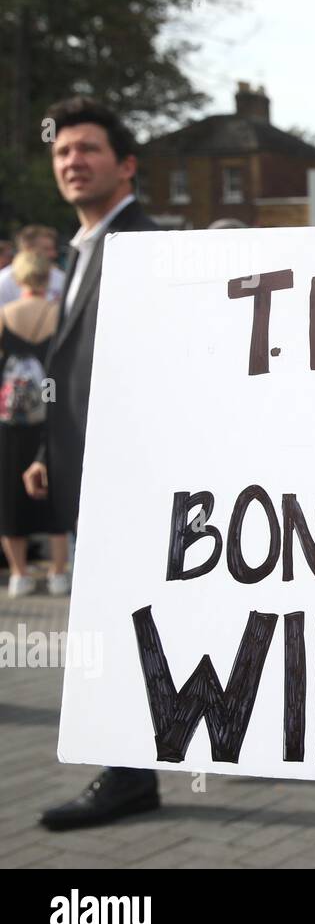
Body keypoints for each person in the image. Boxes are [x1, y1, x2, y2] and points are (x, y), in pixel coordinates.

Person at [31, 96, 162, 832]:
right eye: (62, 153)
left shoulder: (143, 245)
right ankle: (131, 772)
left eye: (88, 150)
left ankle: (127, 774)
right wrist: (51, 453)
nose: (73, 162)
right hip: (86, 477)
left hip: (130, 488)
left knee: (121, 630)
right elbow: (82, 367)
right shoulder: (79, 251)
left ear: (127, 164)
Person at [0, 250, 68, 596]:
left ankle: (19, 574)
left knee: (10, 495)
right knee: (54, 493)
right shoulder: (60, 315)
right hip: (52, 405)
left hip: (13, 418)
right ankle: (58, 573)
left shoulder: (5, 315)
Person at [0, 225, 64, 309]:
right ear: (28, 250)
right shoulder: (4, 279)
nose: (53, 254)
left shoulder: (61, 277)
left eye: (53, 249)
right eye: (46, 249)